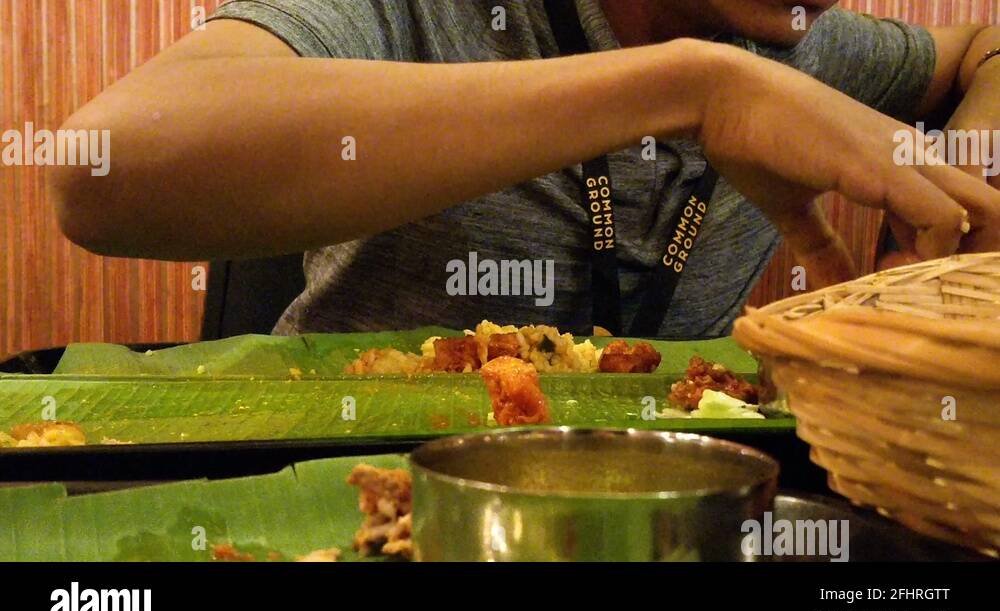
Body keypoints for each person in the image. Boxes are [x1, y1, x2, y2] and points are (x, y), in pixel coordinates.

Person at [51, 0, 1000, 338]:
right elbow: (103, 172)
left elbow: (983, 50)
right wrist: (693, 88)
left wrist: (966, 176)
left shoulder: (807, 45)